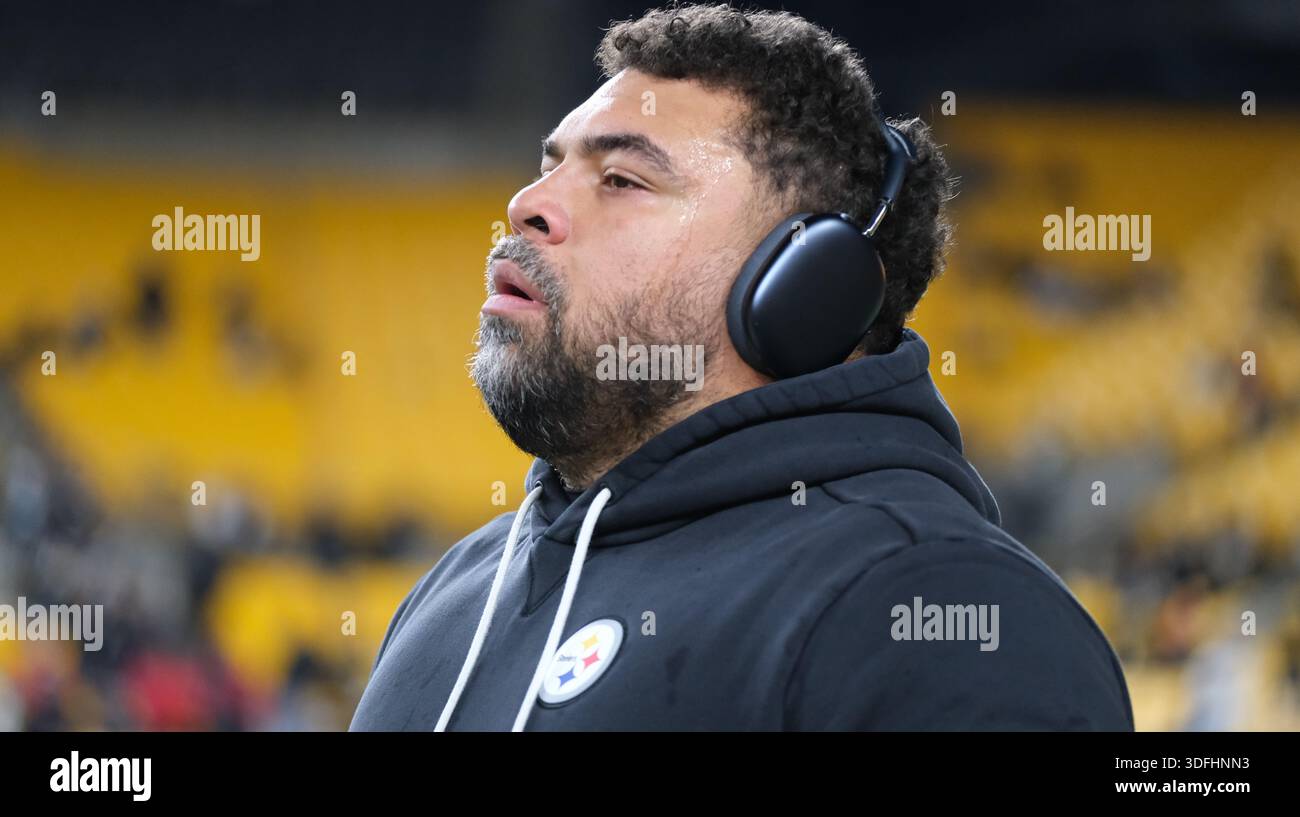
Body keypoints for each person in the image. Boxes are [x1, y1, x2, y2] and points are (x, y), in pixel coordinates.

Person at [350, 3, 1132, 731]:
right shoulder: (459, 586)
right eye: (549, 165)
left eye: (622, 178)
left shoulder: (937, 605)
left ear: (802, 285)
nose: (527, 203)